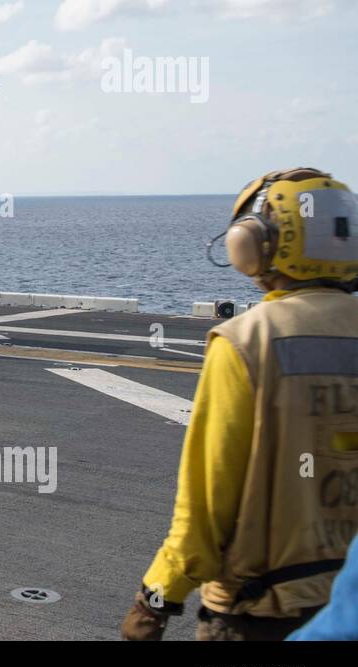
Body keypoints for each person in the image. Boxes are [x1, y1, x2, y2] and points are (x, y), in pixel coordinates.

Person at [121, 167, 358, 640]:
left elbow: (206, 507)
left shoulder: (246, 341)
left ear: (254, 243)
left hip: (261, 613)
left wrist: (155, 599)